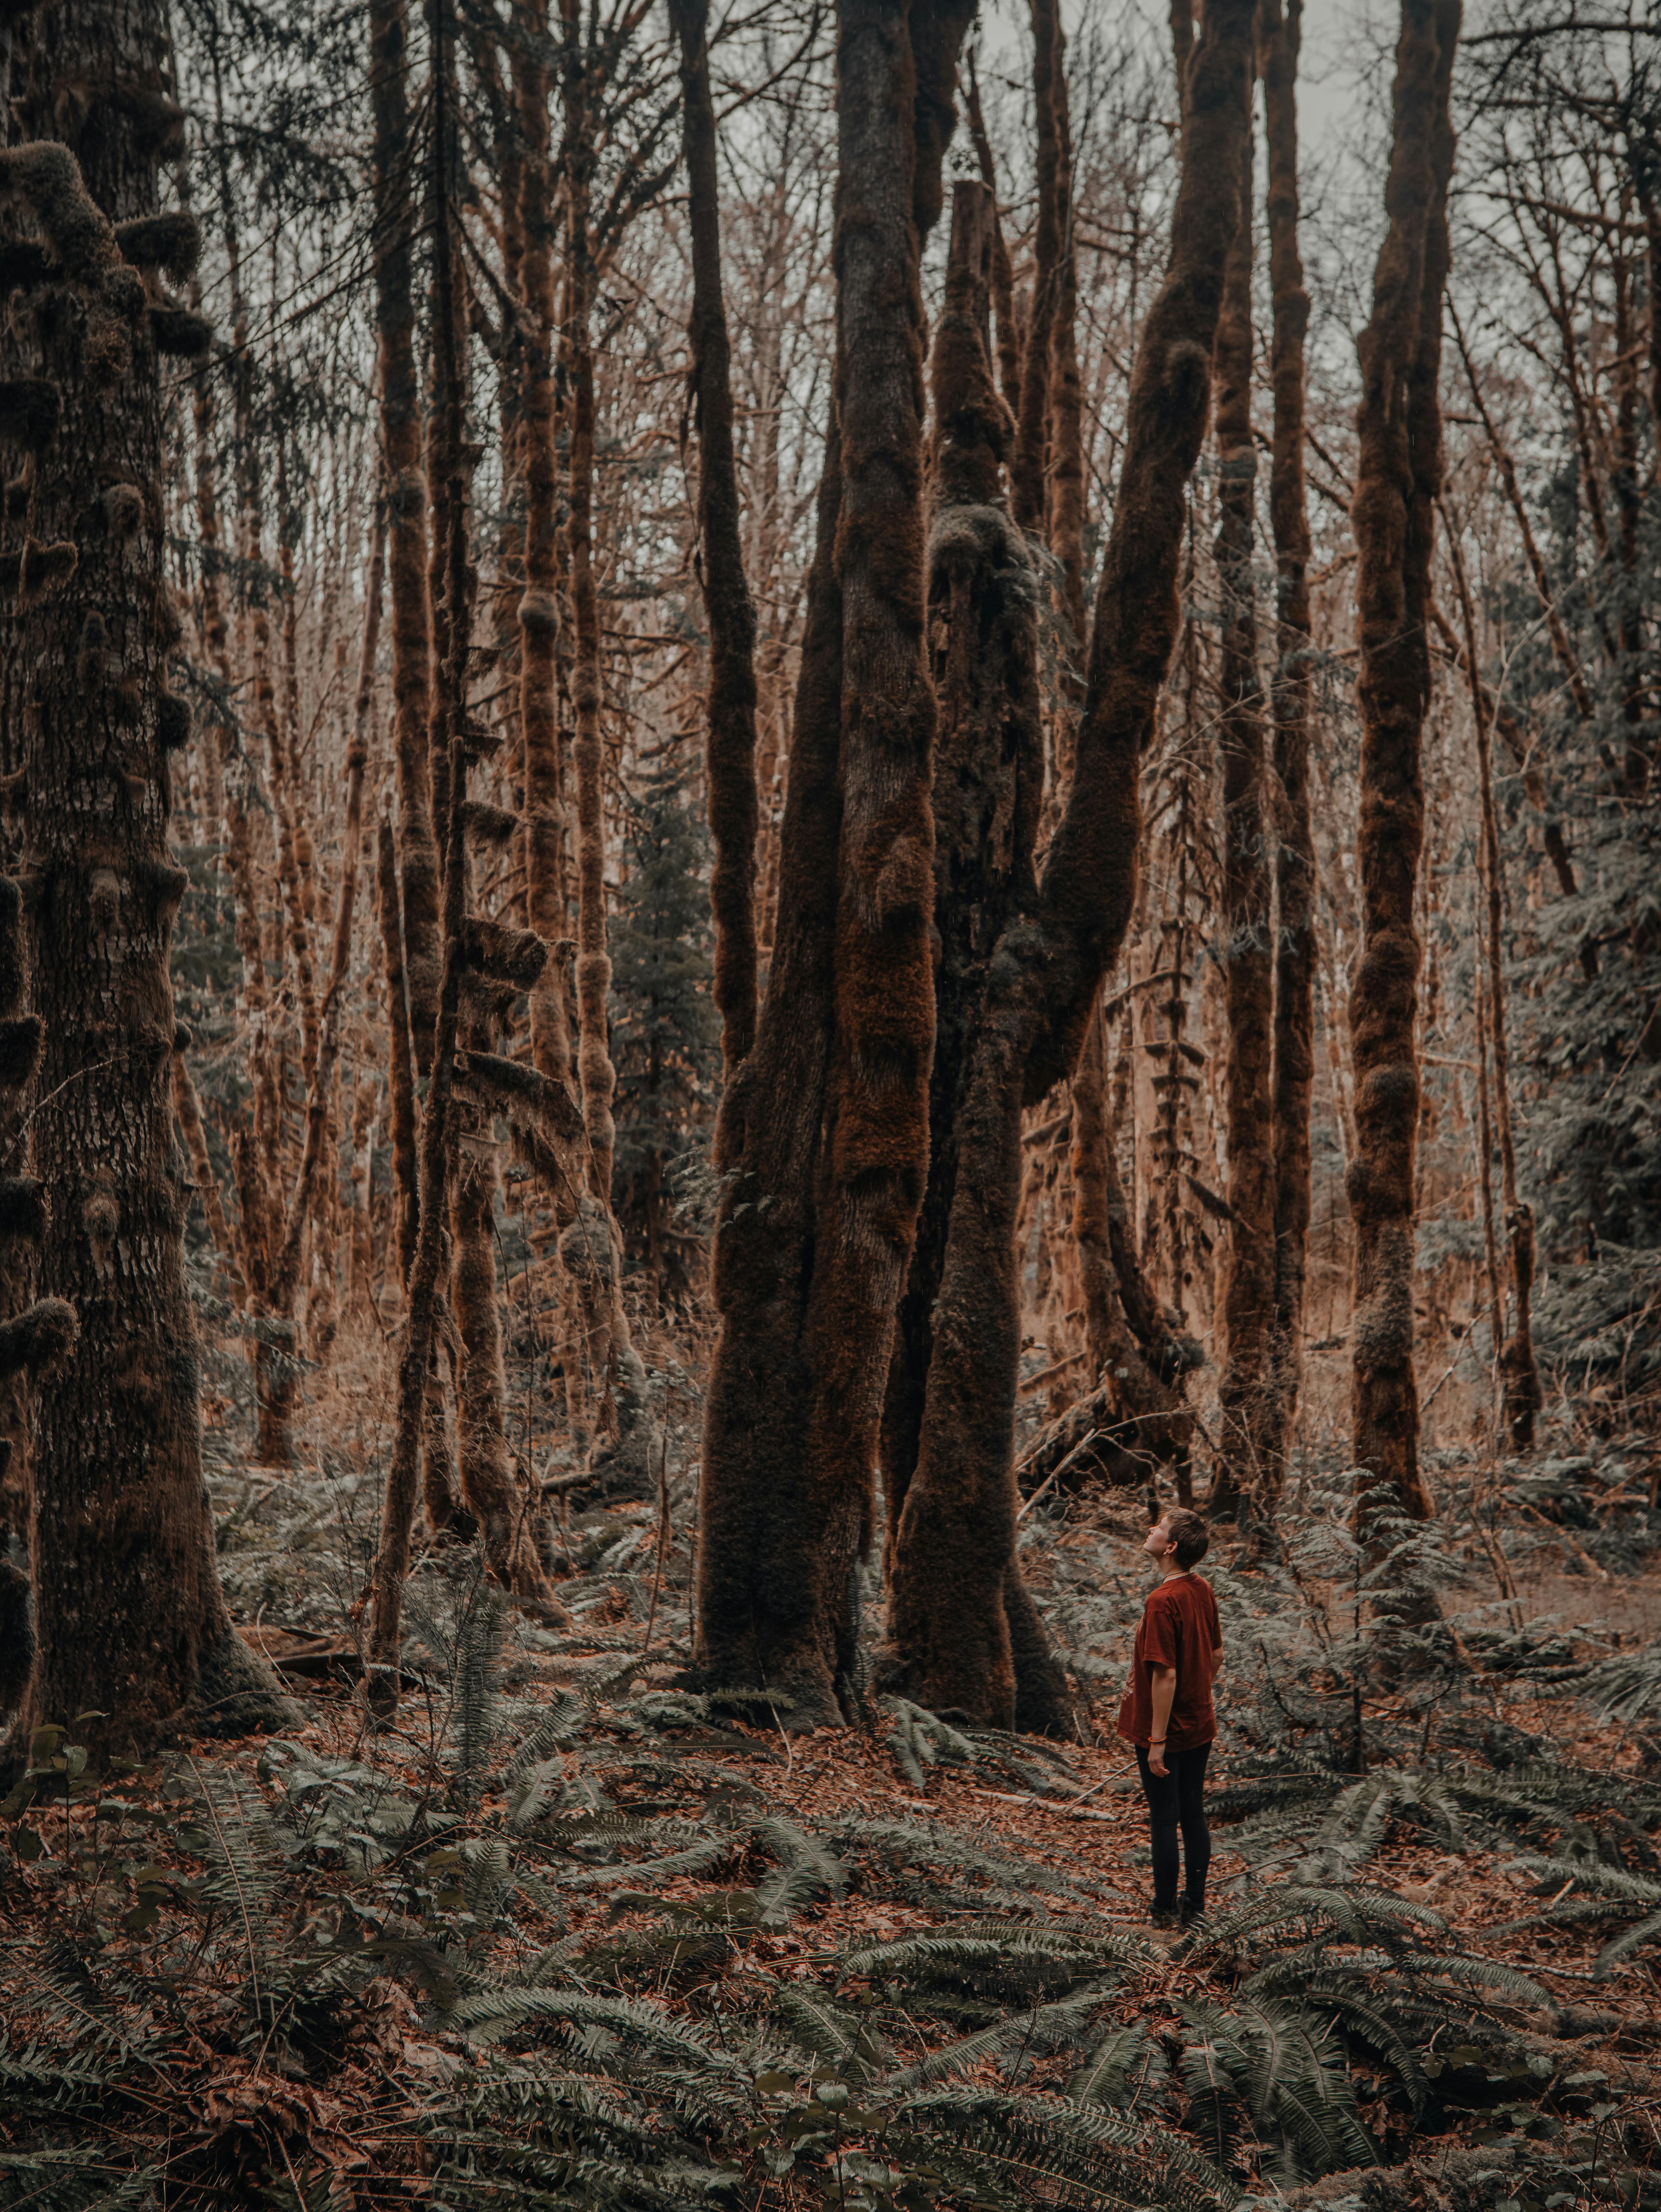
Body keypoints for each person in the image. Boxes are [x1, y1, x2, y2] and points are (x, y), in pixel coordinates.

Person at [1116, 1507, 1221, 1928]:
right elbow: (1215, 1656)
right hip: (1199, 1722)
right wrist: (1197, 1697)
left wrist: (1157, 1740)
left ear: (1171, 1547)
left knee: (1164, 1817)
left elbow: (1165, 1673)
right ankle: (1193, 1907)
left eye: (1158, 1528)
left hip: (1165, 1729)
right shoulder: (1202, 1588)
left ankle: (1162, 1912)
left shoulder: (1162, 1601)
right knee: (1192, 1812)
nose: (1150, 1530)